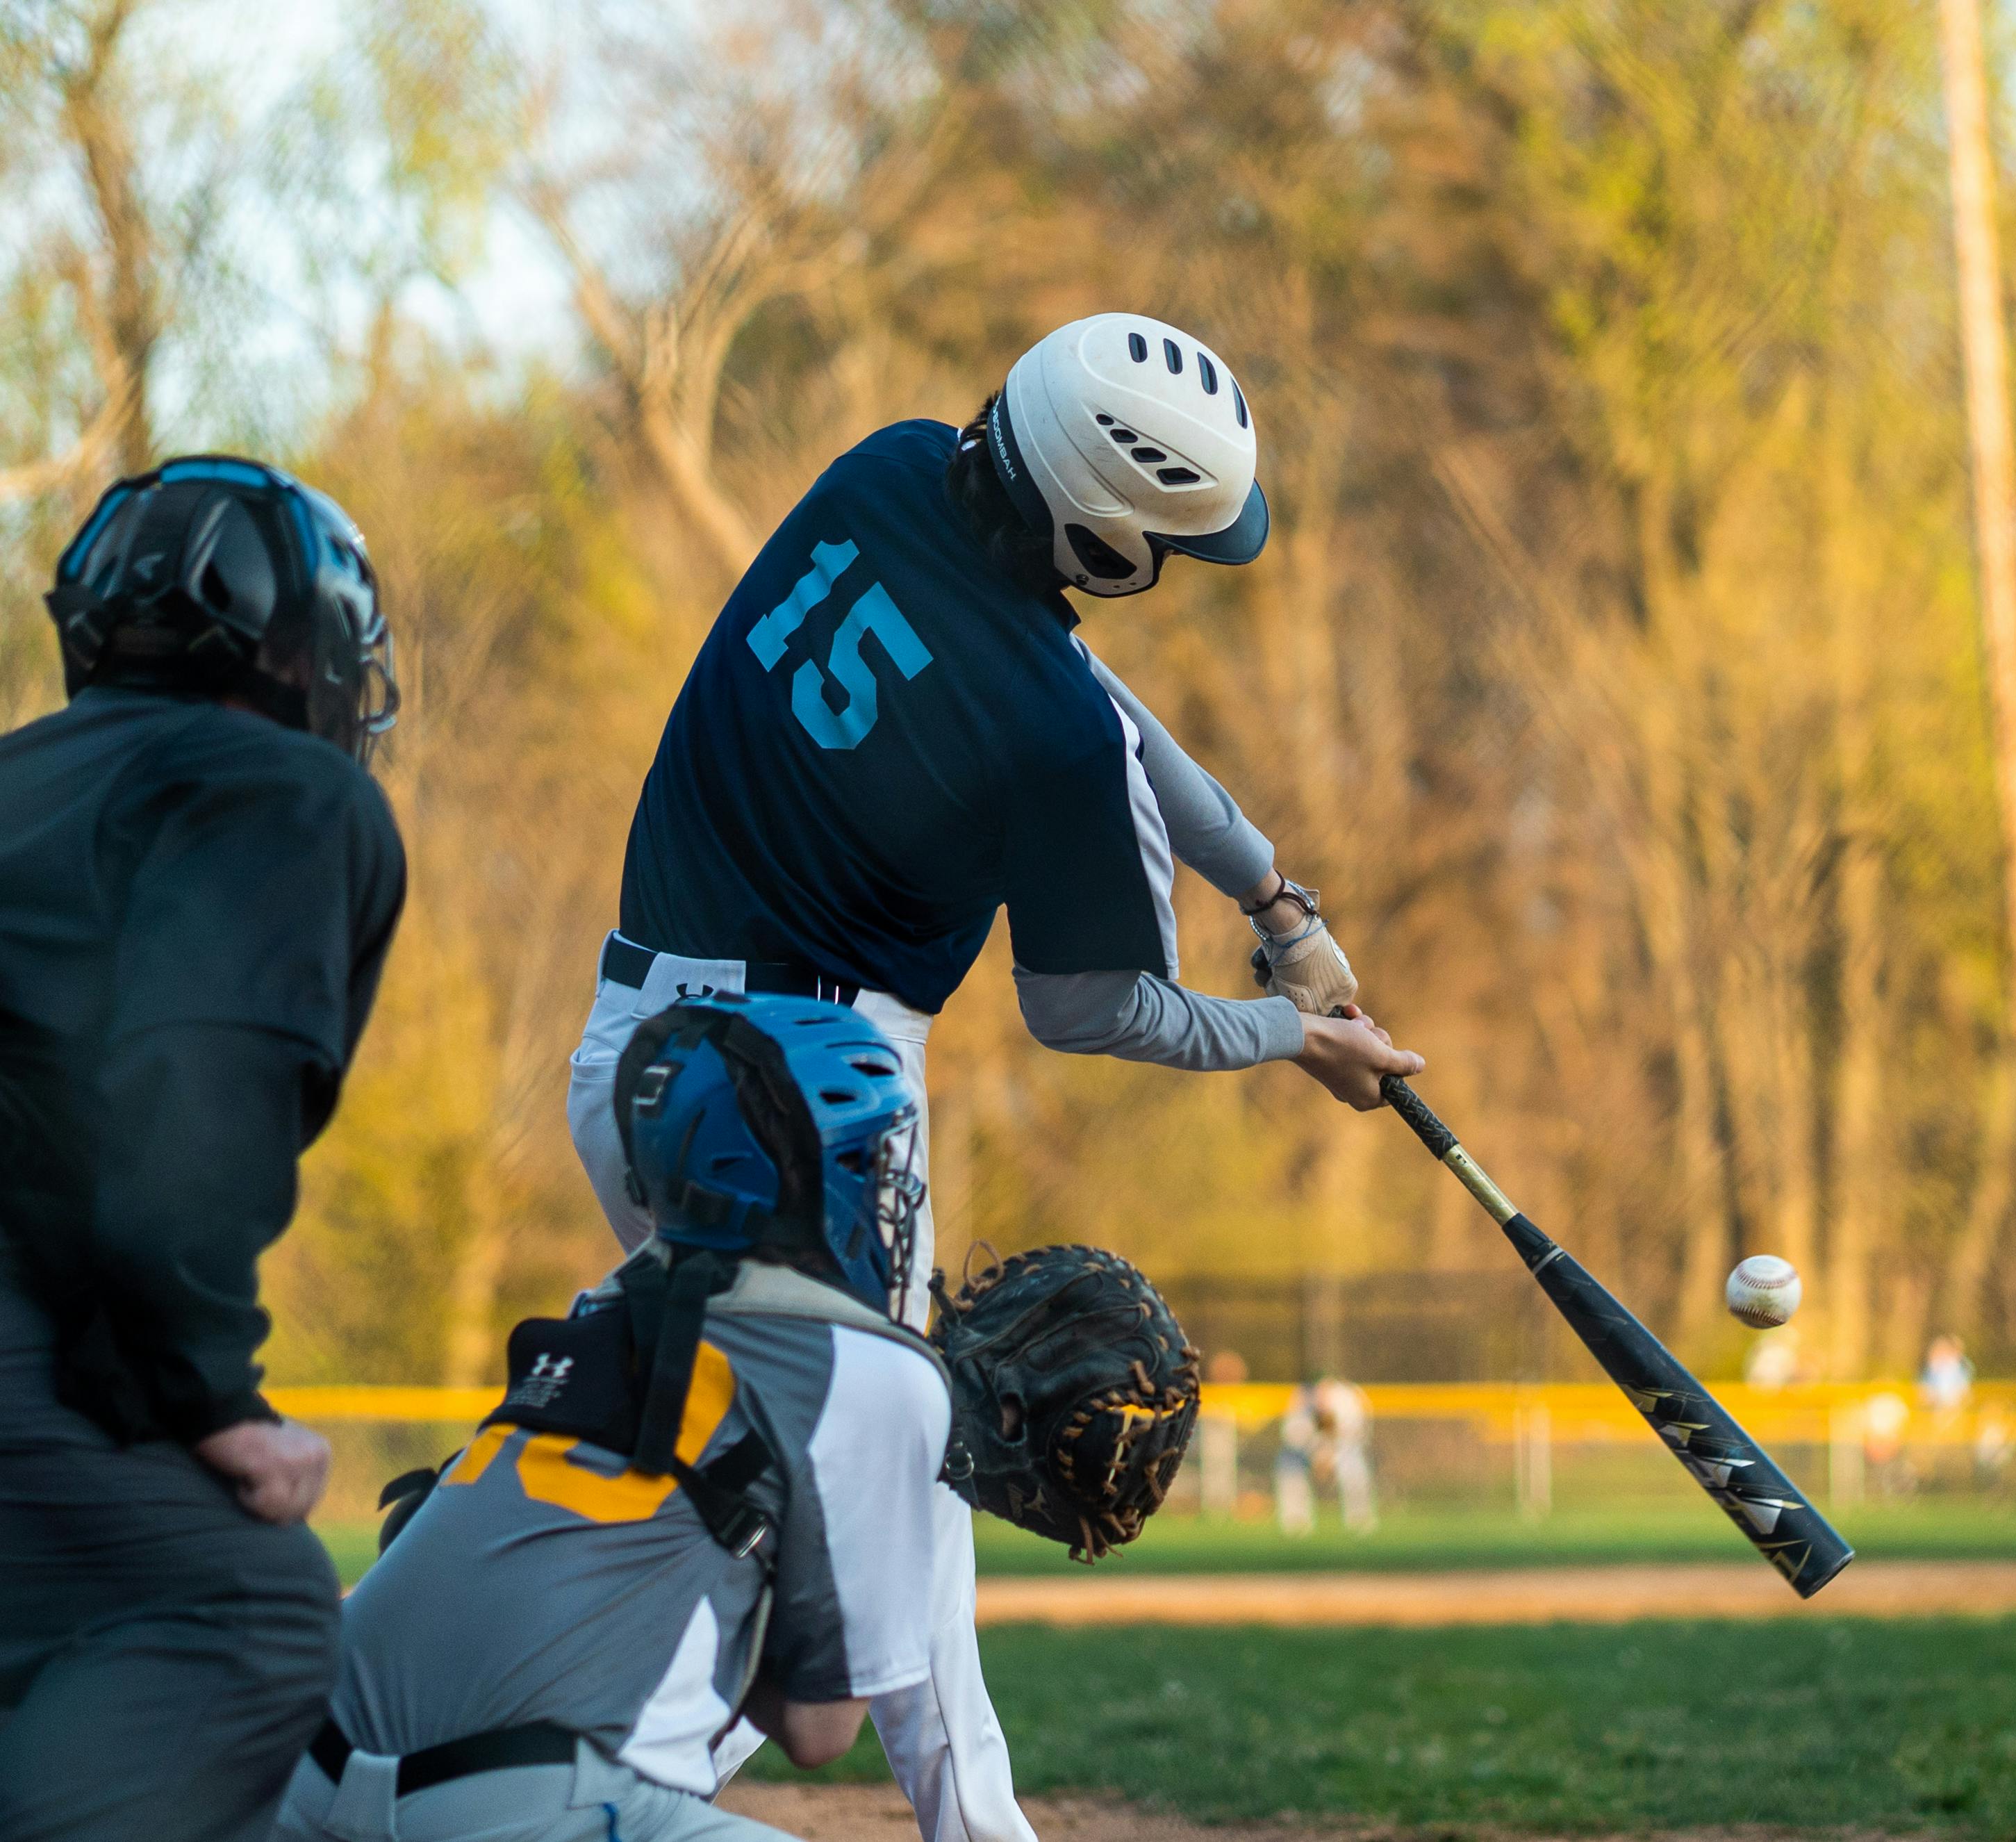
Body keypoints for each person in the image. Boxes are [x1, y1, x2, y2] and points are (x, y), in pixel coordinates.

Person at [568, 311, 1422, 1279]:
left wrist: (1278, 905)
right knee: (875, 1429)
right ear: (1102, 544)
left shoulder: (887, 467)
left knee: (703, 1414)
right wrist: (1294, 1037)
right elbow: (1084, 1010)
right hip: (802, 1099)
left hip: (626, 1054)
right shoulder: (1060, 741)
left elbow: (1088, 690)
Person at [279, 993, 1199, 1842]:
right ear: (792, 1184)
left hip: (293, 1778)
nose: (890, 1191)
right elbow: (815, 1726)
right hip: (518, 1808)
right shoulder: (874, 1370)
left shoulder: (607, 1305)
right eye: (863, 1161)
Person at [0, 455, 406, 1841]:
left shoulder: (27, 782)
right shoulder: (274, 784)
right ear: (292, 644)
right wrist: (213, 1398)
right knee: (248, 1610)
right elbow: (186, 1096)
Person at [1273, 1374, 1375, 1536]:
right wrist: (1317, 1454)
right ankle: (1296, 1522)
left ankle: (1359, 1521)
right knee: (1289, 1463)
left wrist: (1329, 1453)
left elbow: (1355, 1433)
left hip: (1343, 1448)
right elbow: (1291, 1435)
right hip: (1308, 1449)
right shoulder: (1301, 1397)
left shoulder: (1347, 1398)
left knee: (1353, 1465)